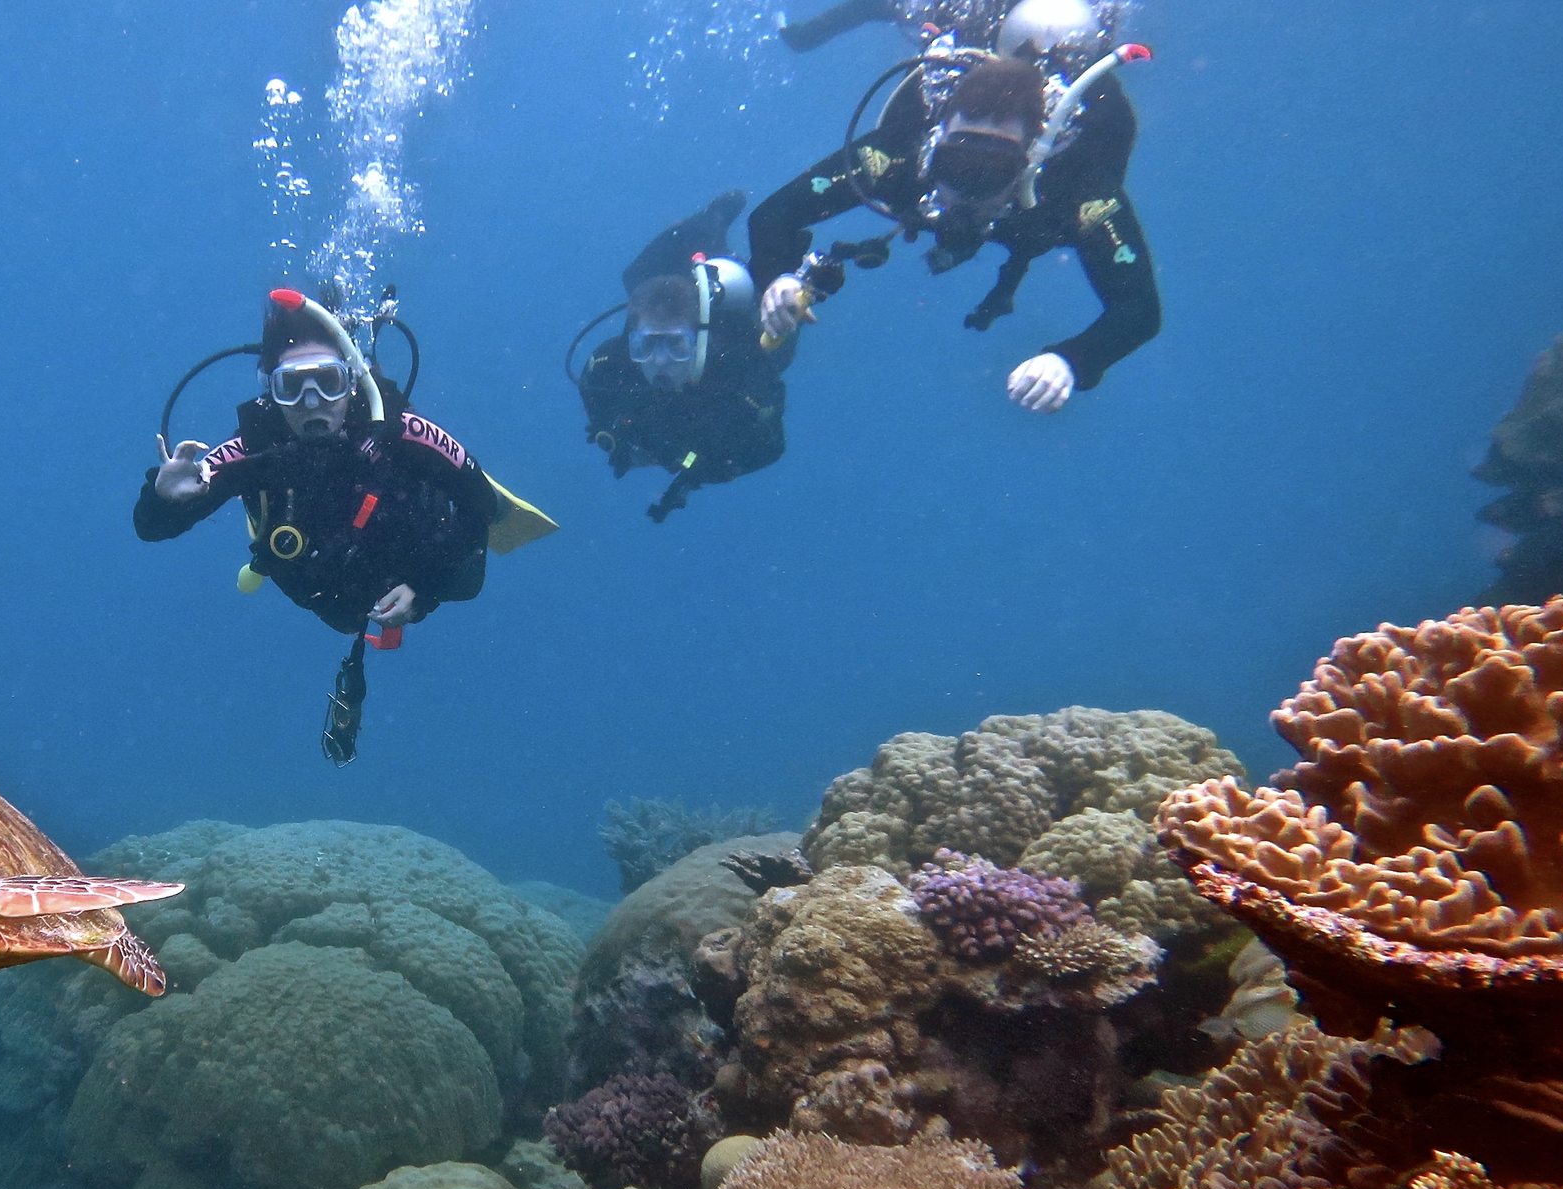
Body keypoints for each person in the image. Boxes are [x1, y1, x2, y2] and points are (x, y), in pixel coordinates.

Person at [139, 287, 523, 763]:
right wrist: (162, 498)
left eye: (328, 381)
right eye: (291, 386)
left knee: (467, 579)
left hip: (407, 562)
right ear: (270, 391)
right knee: (337, 604)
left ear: (352, 381)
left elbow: (479, 505)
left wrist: (425, 588)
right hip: (322, 588)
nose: (312, 402)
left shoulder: (398, 430)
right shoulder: (252, 450)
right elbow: (150, 528)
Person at [748, 0, 1159, 414]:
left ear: (1032, 161)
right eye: (956, 165)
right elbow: (772, 217)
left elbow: (1138, 308)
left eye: (993, 171)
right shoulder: (902, 151)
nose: (967, 191)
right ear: (935, 142)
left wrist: (1070, 361)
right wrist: (778, 277)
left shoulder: (1074, 183)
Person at [574, 189, 793, 522]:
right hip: (679, 308)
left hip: (743, 323)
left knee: (778, 339)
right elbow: (593, 396)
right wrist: (617, 434)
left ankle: (735, 243)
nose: (659, 361)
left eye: (675, 346)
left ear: (699, 342)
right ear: (631, 343)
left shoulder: (741, 373)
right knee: (639, 279)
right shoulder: (607, 368)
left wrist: (702, 470)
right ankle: (710, 224)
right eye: (646, 347)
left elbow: (769, 448)